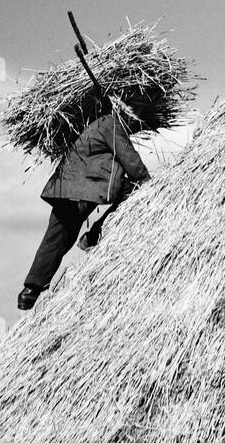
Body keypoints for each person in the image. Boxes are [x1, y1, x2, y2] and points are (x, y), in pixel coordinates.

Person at [18, 99, 150, 310]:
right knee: (134, 190)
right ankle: (94, 234)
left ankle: (30, 291)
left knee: (57, 239)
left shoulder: (96, 125)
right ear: (126, 114)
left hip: (65, 190)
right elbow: (130, 160)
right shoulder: (111, 124)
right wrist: (151, 183)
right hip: (83, 191)